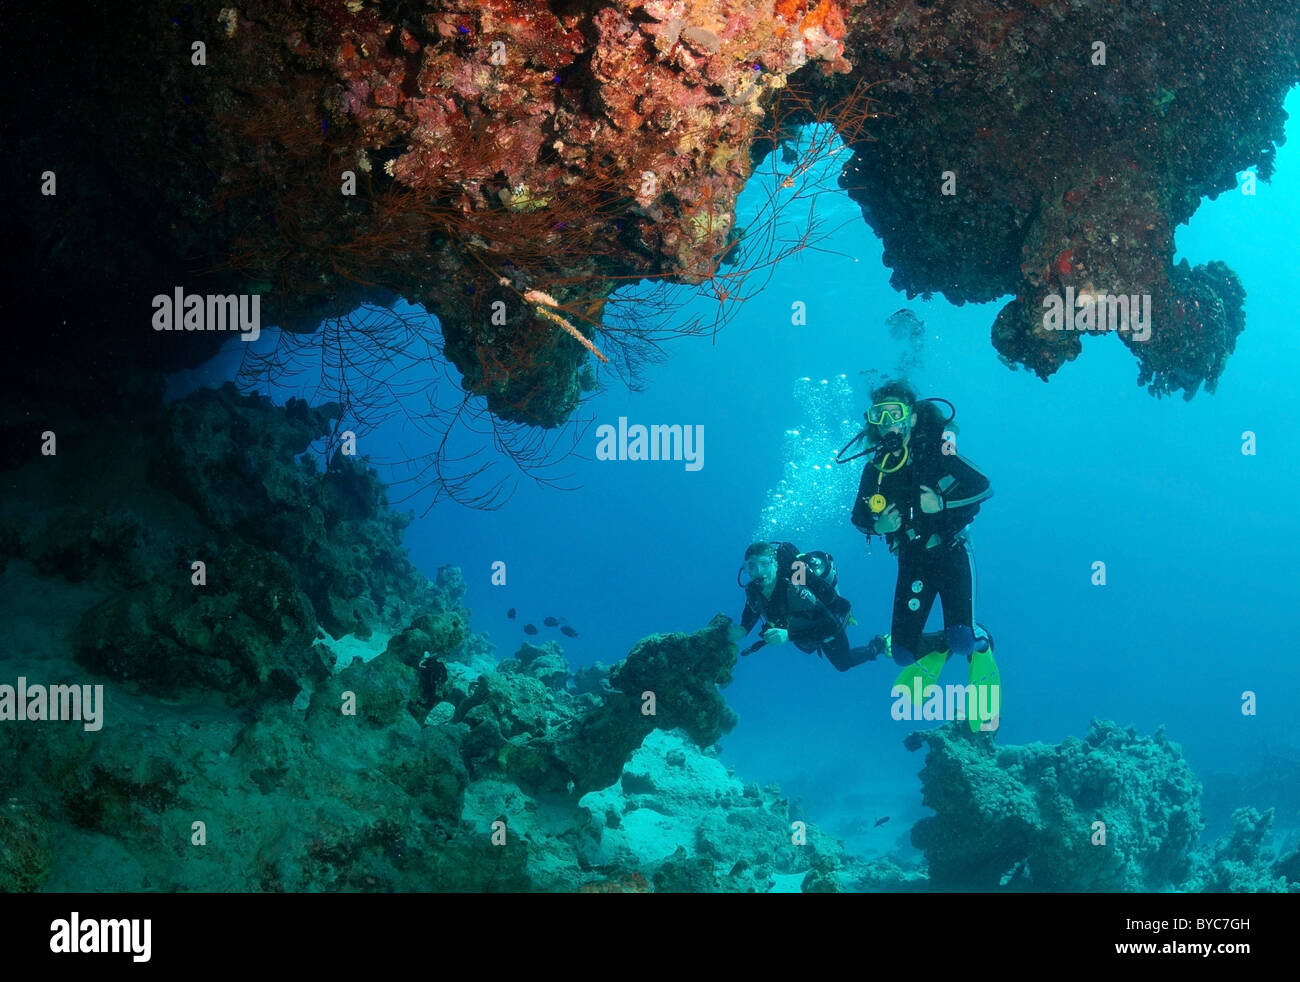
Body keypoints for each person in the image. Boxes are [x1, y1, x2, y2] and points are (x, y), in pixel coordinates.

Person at [848, 380, 1000, 727]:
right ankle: (945, 644)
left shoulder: (939, 451)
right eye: (879, 415)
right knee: (902, 654)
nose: (887, 421)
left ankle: (979, 641)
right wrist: (879, 528)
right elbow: (858, 518)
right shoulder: (875, 469)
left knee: (963, 640)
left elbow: (984, 487)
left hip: (950, 553)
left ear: (912, 418)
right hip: (912, 561)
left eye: (895, 413)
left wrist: (941, 502)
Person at [728, 540, 877, 672]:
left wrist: (789, 635)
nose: (759, 572)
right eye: (751, 566)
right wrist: (742, 630)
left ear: (776, 563)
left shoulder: (795, 585)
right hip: (803, 633)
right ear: (745, 570)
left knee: (844, 664)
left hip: (826, 627)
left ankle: (878, 646)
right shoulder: (753, 591)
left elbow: (831, 625)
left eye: (765, 563)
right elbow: (750, 614)